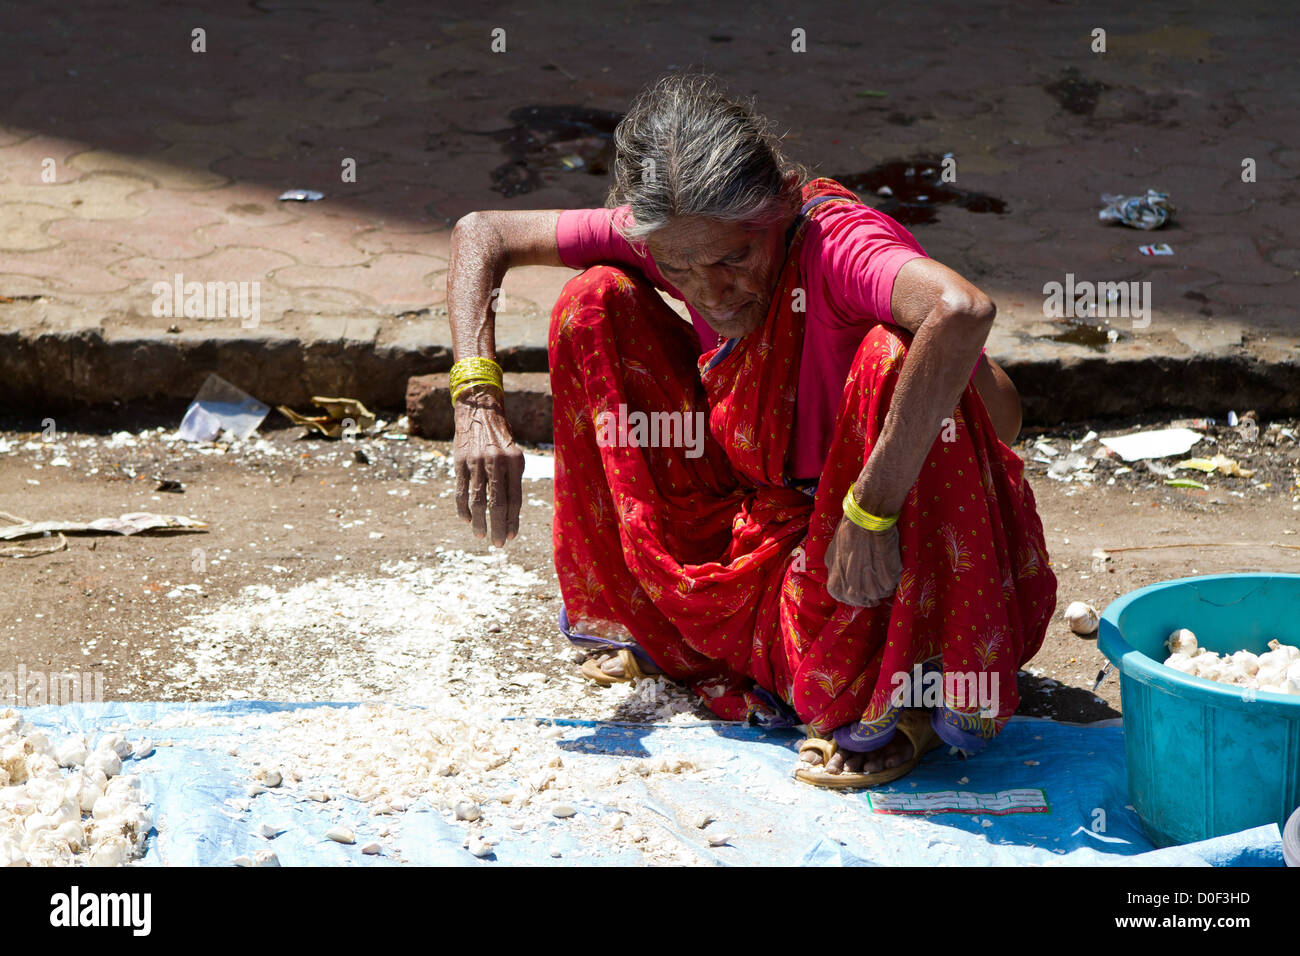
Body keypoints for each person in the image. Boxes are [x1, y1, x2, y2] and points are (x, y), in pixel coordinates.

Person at [446, 73, 1056, 788]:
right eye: (680, 268)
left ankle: (912, 692)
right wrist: (476, 404)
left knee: (893, 352)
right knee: (592, 302)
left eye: (735, 259)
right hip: (763, 504)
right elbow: (480, 232)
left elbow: (961, 310)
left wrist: (872, 505)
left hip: (882, 522)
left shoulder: (835, 247)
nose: (711, 290)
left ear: (786, 201)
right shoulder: (675, 231)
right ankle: (679, 628)